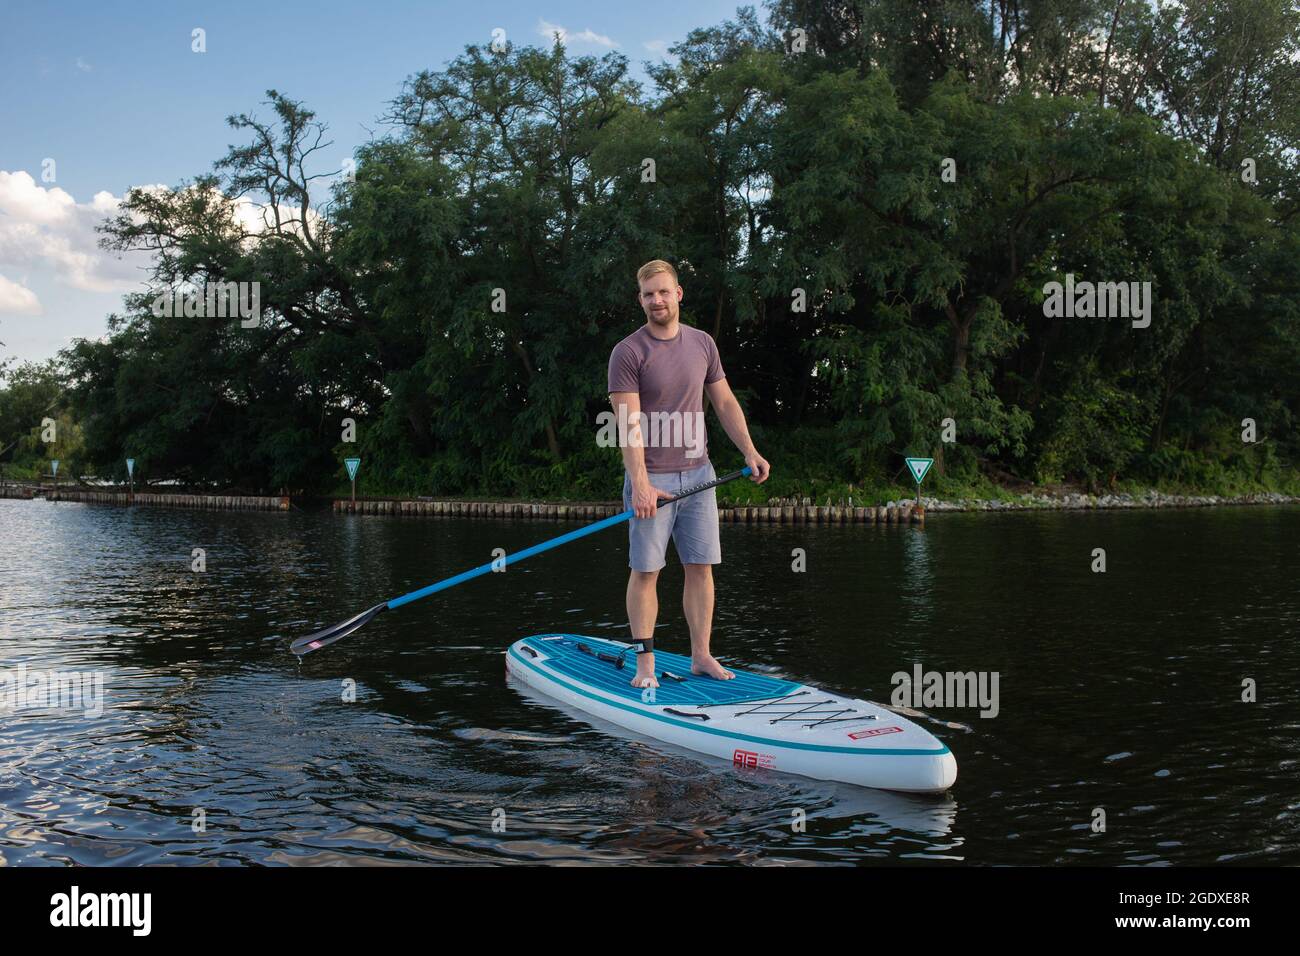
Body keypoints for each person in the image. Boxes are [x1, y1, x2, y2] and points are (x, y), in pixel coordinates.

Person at [607, 260, 770, 689]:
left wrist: (749, 451)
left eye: (663, 292)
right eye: (648, 295)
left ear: (678, 294)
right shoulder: (628, 352)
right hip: (653, 482)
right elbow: (628, 424)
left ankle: (701, 656)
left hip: (701, 477)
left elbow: (725, 403)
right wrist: (640, 483)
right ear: (640, 299)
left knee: (701, 567)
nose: (656, 301)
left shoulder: (703, 344)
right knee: (646, 572)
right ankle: (645, 664)